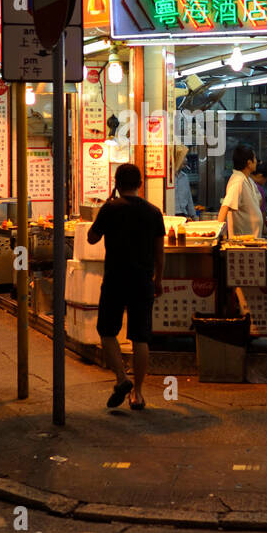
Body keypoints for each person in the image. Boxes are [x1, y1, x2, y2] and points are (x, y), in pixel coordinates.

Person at [87, 163, 165, 410]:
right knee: (141, 337)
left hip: (115, 278)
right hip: (143, 279)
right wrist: (159, 280)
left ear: (117, 184)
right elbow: (159, 253)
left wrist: (106, 207)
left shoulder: (110, 208)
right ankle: (138, 394)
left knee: (107, 331)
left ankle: (122, 379)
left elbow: (91, 238)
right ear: (140, 183)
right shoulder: (154, 212)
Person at [218, 144, 264, 238]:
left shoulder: (248, 180)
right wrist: (218, 235)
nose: (256, 161)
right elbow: (225, 207)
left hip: (253, 238)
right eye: (254, 158)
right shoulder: (238, 181)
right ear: (249, 163)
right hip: (241, 242)